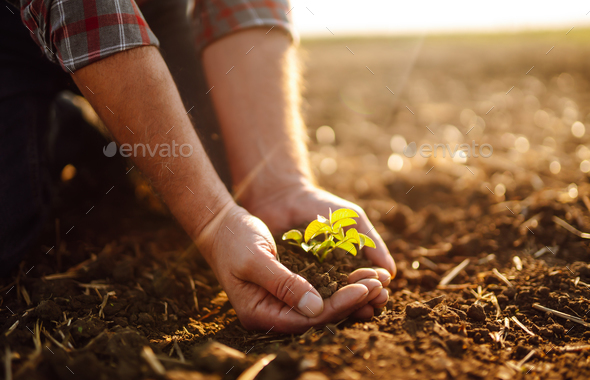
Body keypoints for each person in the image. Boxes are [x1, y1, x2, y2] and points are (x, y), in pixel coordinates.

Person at [0, 0, 396, 332]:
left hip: (142, 13)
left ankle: (92, 138)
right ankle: (59, 125)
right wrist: (214, 219)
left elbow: (242, 6)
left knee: (222, 175)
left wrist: (277, 185)